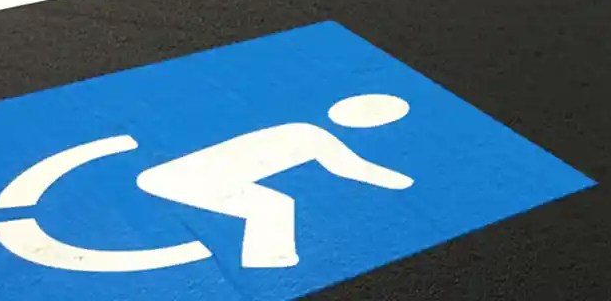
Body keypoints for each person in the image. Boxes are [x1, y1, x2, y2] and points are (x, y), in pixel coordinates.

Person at [136, 94, 413, 268]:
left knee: (273, 204)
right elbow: (350, 168)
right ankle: (266, 265)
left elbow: (349, 166)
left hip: (171, 175)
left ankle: (266, 263)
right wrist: (400, 181)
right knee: (273, 205)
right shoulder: (310, 134)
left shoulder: (300, 130)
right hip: (179, 178)